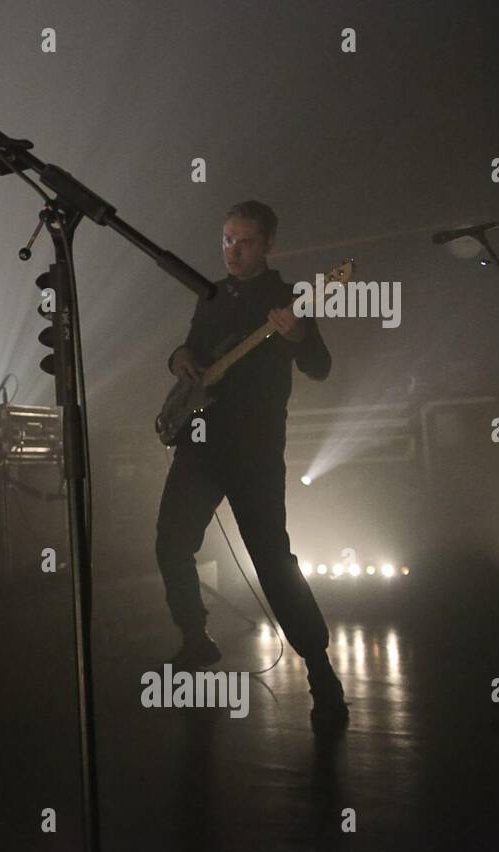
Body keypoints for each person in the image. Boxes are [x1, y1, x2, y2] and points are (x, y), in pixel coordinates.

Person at [156, 200, 349, 734]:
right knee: (170, 541)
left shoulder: (288, 299)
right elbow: (189, 351)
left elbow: (320, 367)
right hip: (201, 444)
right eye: (226, 239)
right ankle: (195, 640)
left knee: (272, 561)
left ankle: (321, 672)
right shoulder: (212, 295)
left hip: (255, 451)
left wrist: (295, 335)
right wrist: (179, 358)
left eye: (243, 242)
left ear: (268, 245)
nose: (232, 251)